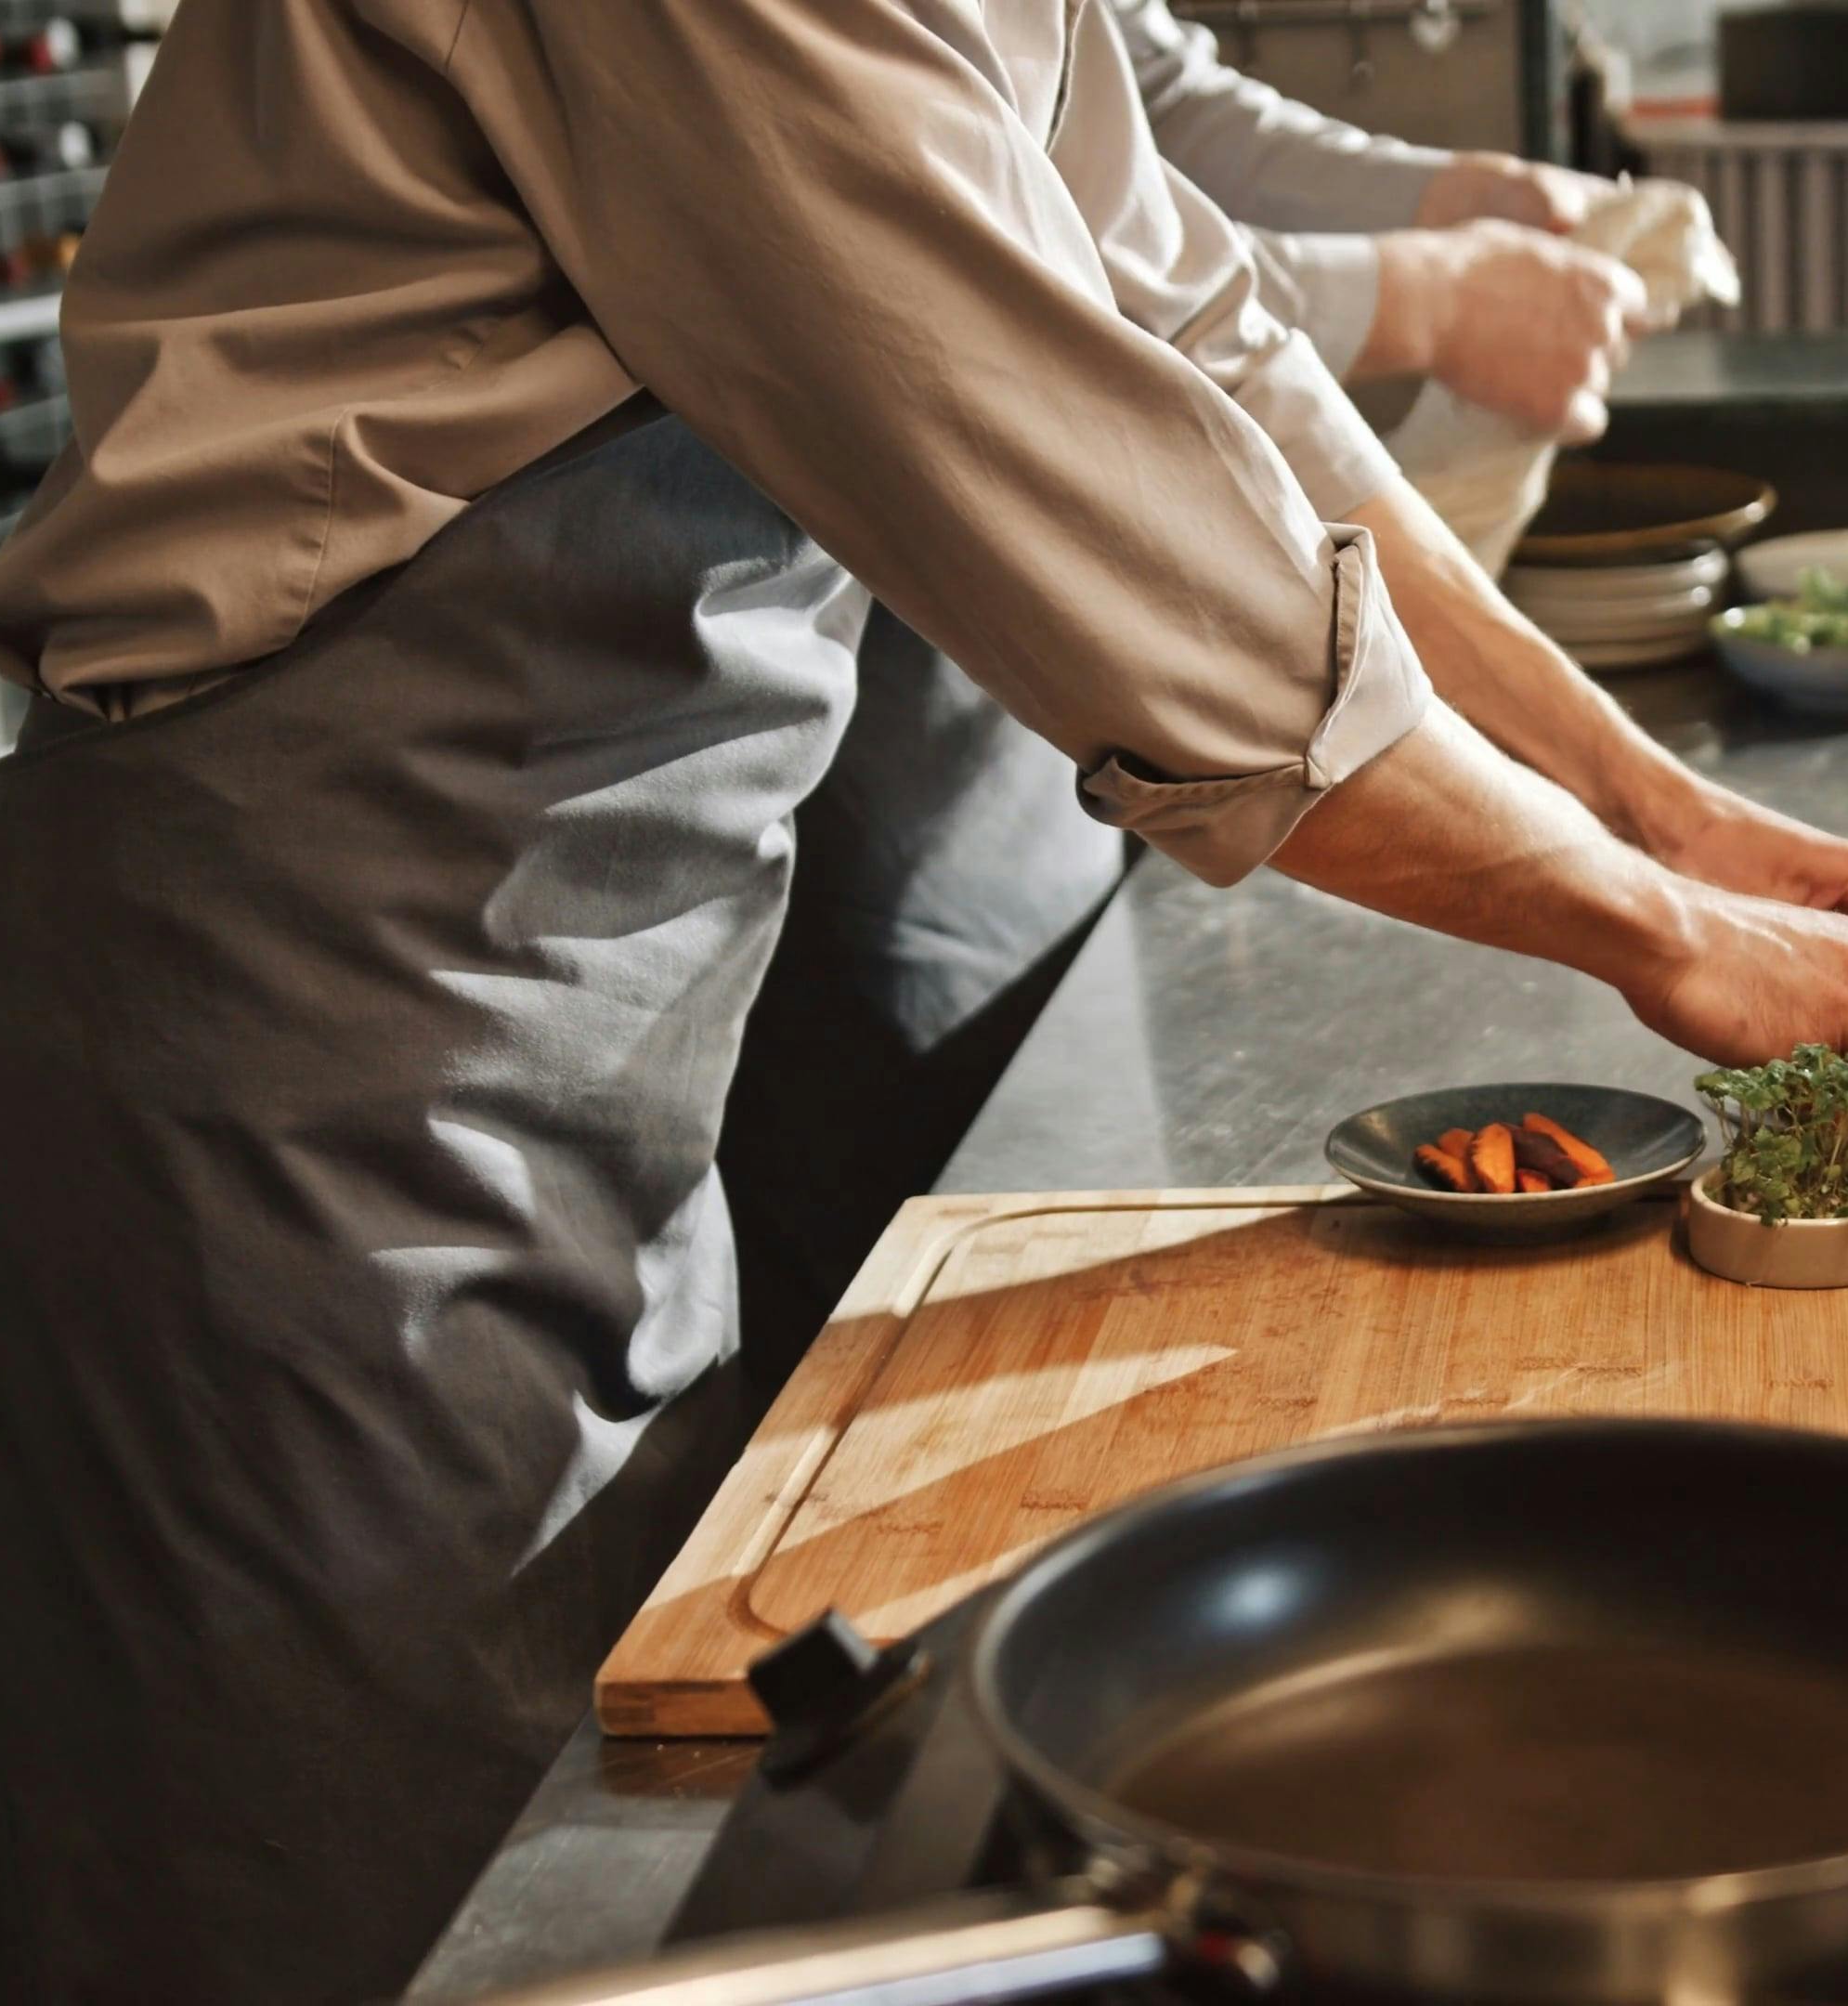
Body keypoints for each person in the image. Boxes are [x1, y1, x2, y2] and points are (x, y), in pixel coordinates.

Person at [0, 0, 1848, 1999]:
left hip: (551, 1021)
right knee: (356, 1913)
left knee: (541, 1837)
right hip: (296, 1026)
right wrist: (1660, 933)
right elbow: (1165, 589)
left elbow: (1213, 366)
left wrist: (1651, 806)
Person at [718, 0, 1696, 1376]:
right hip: (512, 840)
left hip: (961, 765)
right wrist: (1668, 922)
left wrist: (1646, 798)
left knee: (1011, 1276)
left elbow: (1155, 231)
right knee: (845, 1311)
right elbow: (1012, 337)